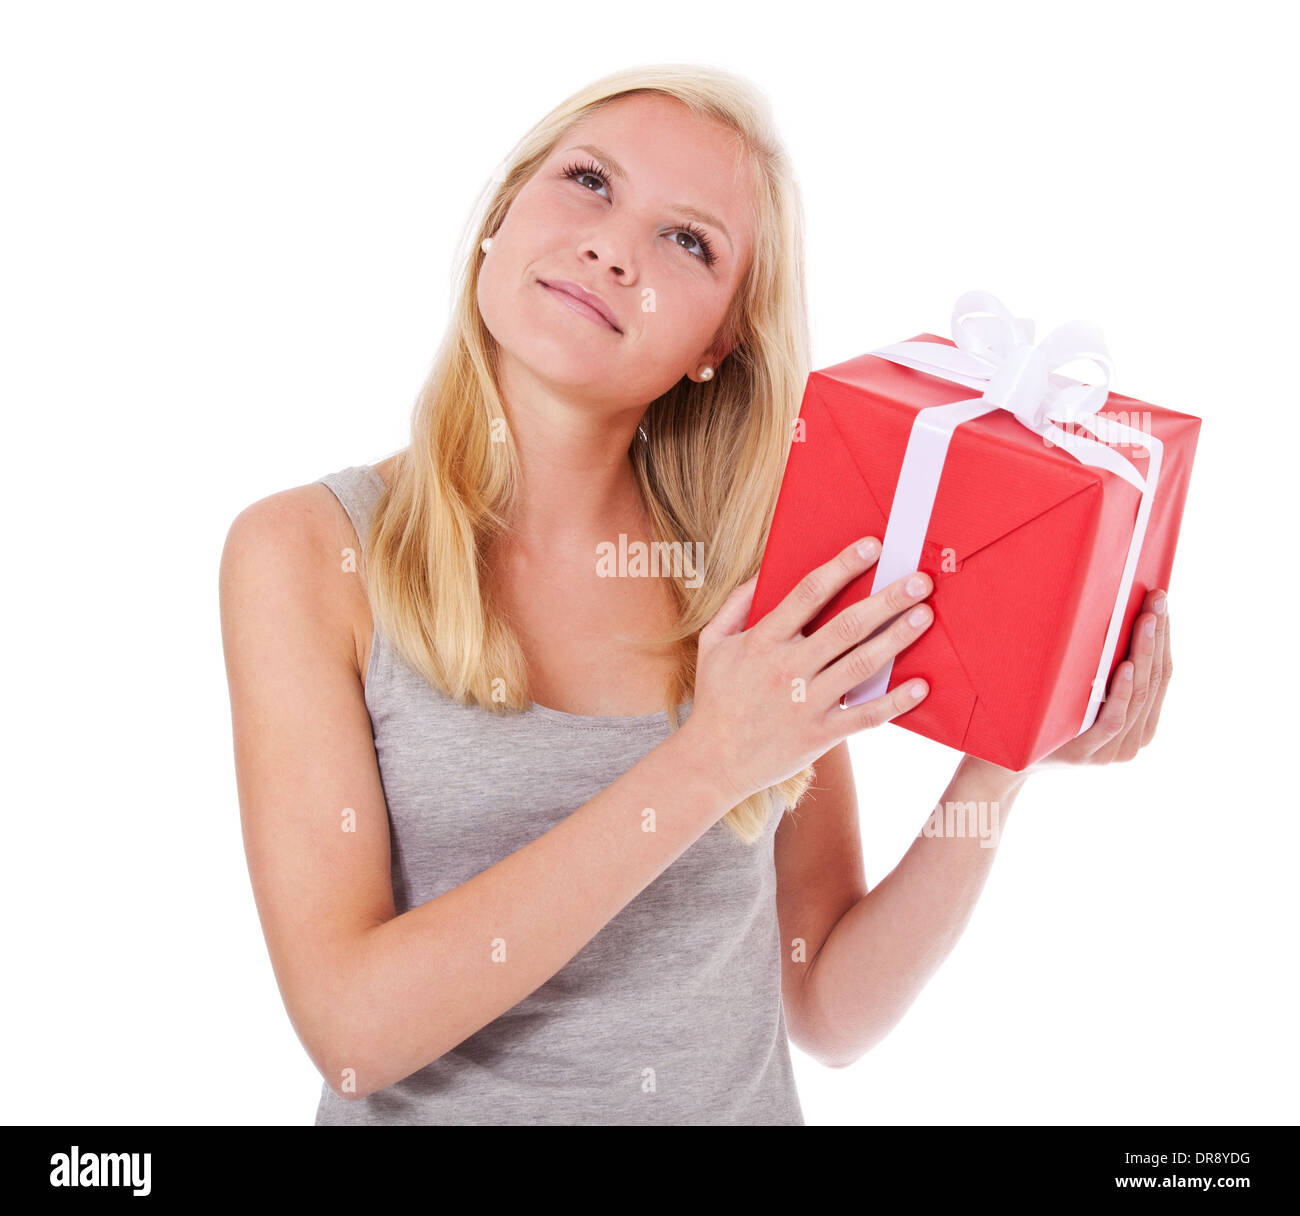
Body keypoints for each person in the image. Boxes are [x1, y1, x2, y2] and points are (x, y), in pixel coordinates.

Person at [218, 63, 1173, 1126]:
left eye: (688, 242)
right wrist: (708, 760)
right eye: (587, 180)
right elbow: (353, 1032)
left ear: (716, 345)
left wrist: (998, 764)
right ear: (502, 213)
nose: (612, 246)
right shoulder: (307, 552)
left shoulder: (758, 578)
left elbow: (825, 1004)